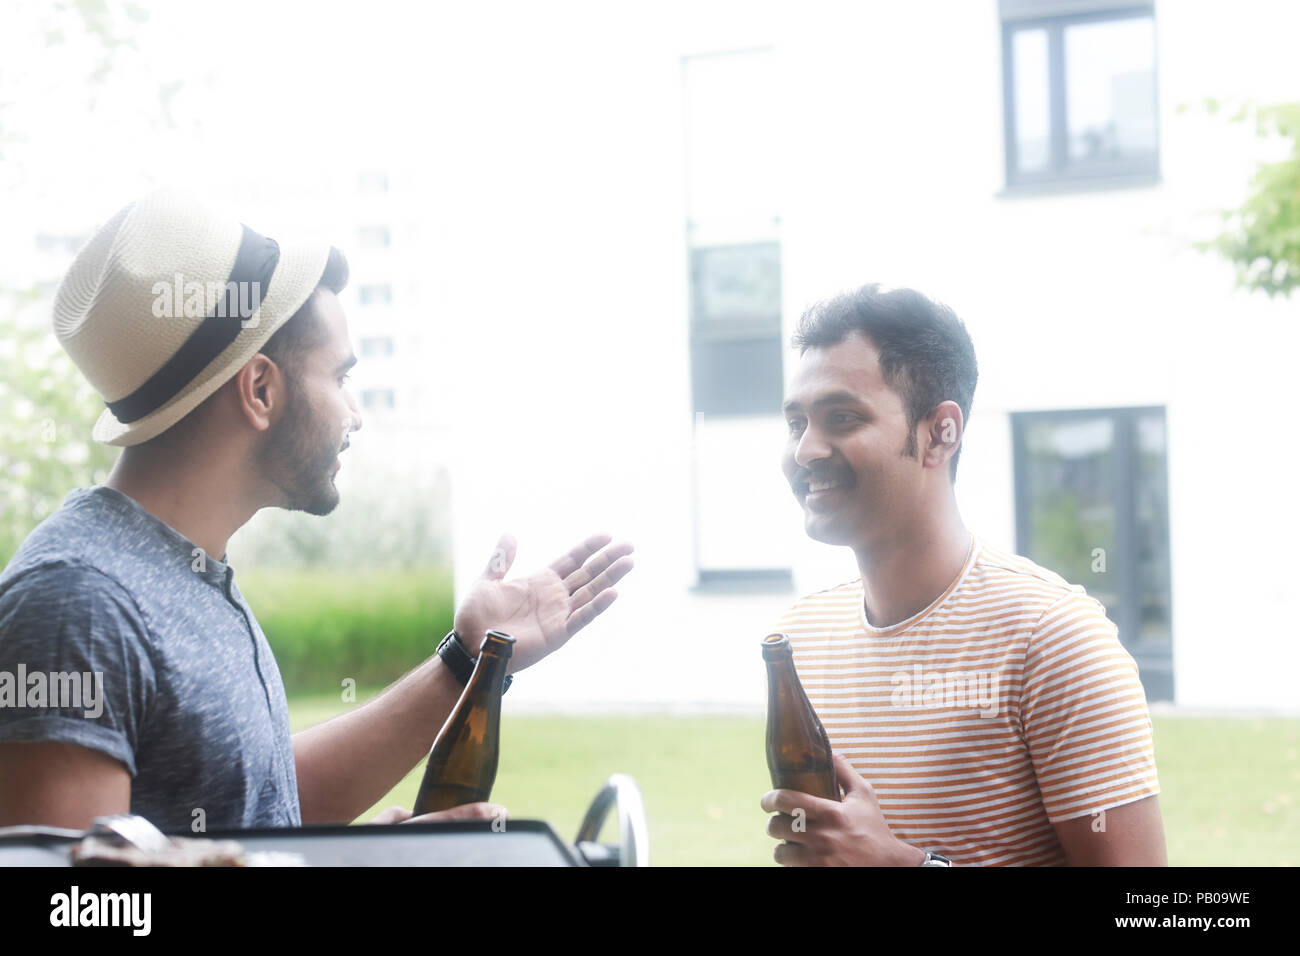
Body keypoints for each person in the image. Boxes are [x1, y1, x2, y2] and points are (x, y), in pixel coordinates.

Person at [0, 189, 633, 832]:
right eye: (340, 378)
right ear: (261, 389)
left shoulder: (178, 572)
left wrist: (468, 662)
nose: (354, 414)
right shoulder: (76, 606)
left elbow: (251, 799)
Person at [761, 284, 1165, 866]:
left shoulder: (1053, 639)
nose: (805, 450)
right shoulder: (802, 635)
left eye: (841, 418)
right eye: (795, 423)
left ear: (939, 433)